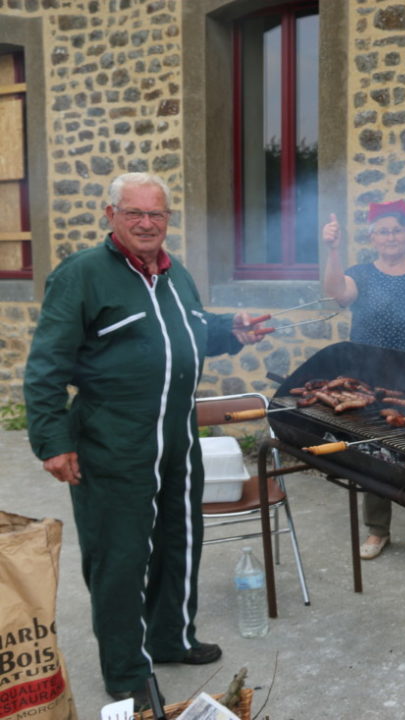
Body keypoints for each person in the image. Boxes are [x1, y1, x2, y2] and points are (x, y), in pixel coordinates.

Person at [24, 172, 269, 708]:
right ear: (110, 216)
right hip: (113, 440)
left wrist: (235, 329)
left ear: (167, 221)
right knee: (120, 555)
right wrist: (51, 440)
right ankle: (126, 667)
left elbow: (192, 326)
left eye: (156, 215)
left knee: (180, 540)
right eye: (134, 213)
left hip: (178, 436)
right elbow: (46, 365)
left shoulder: (174, 273)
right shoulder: (83, 275)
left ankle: (170, 637)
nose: (145, 223)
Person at [322, 200, 405, 560]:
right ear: (372, 237)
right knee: (373, 454)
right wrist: (332, 250)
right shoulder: (360, 274)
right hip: (370, 381)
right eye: (383, 231)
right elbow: (337, 291)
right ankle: (377, 530)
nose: (391, 236)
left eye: (397, 229)